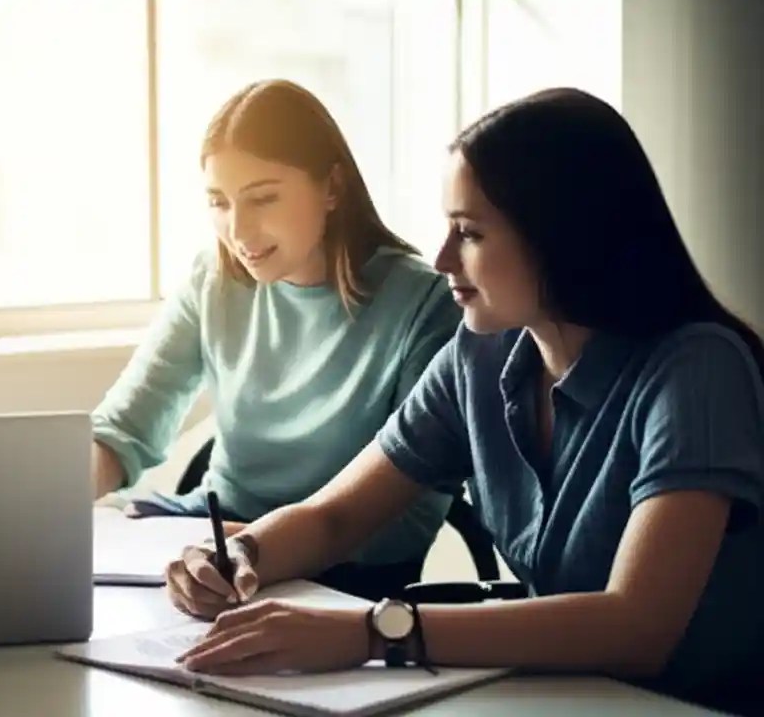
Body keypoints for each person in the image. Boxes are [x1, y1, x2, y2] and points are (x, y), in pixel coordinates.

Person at [164, 87, 764, 711]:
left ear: (562, 234)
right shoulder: (479, 357)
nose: (444, 257)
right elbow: (335, 517)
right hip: (562, 697)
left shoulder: (697, 369)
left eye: (469, 233)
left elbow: (636, 627)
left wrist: (372, 633)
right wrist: (240, 553)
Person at [91, 79, 462, 600]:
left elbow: (406, 518)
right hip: (213, 538)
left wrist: (257, 547)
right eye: (219, 202)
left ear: (332, 187)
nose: (238, 230)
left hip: (342, 573)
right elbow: (122, 431)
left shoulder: (425, 303)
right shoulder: (213, 280)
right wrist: (46, 513)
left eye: (263, 198)